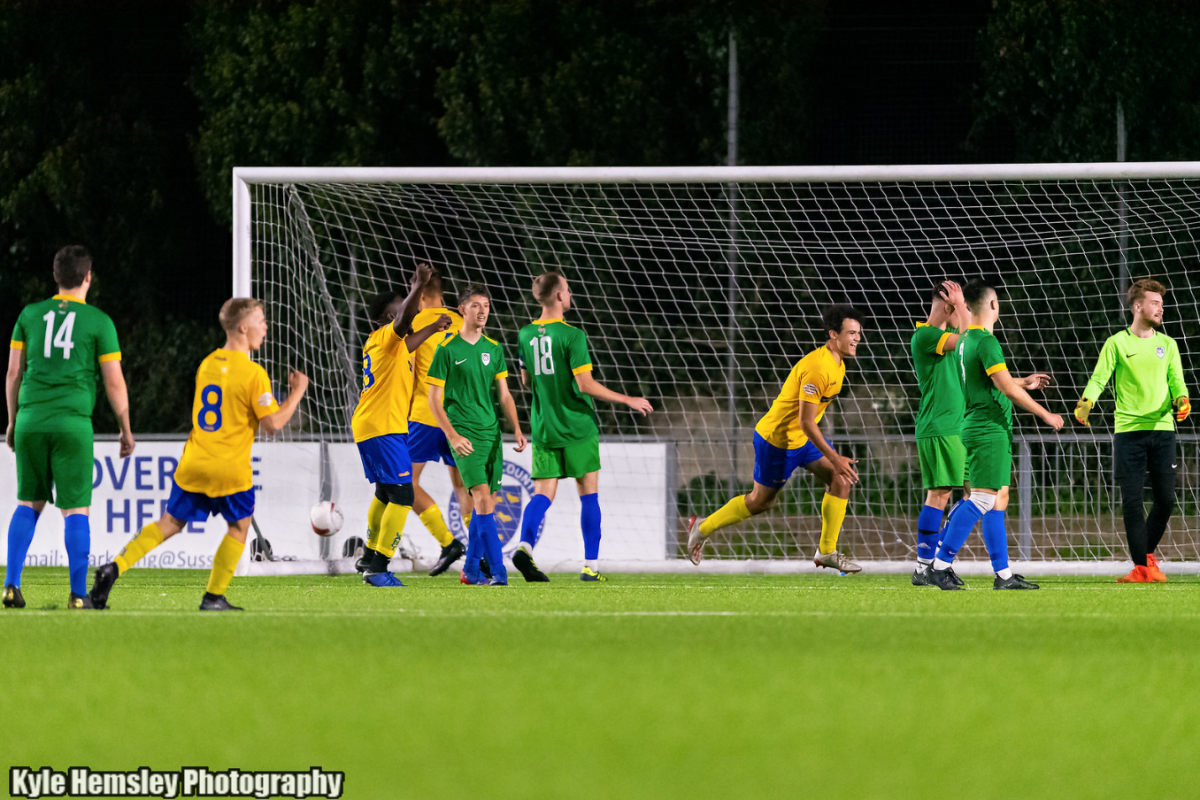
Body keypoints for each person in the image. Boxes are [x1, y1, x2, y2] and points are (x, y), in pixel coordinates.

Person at [89, 298, 306, 611]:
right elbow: (272, 424)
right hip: (229, 467)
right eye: (261, 321)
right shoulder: (253, 373)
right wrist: (297, 391)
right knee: (238, 528)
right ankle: (213, 597)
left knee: (169, 523)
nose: (266, 327)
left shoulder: (207, 364)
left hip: (194, 462)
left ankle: (114, 567)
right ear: (243, 327)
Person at [686, 304, 865, 574]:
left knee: (841, 478)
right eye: (851, 333)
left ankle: (826, 551)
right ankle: (701, 528)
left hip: (802, 440)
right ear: (833, 334)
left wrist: (835, 461)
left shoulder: (838, 364)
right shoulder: (817, 368)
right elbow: (806, 421)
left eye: (858, 333)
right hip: (777, 440)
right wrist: (834, 456)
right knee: (761, 502)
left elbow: (807, 423)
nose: (856, 338)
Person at [4, 245, 135, 610]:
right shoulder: (98, 322)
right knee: (76, 510)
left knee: (28, 502)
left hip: (31, 418)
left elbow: (14, 373)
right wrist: (125, 428)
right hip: (72, 424)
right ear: (88, 277)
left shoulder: (29, 315)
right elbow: (114, 383)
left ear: (55, 276)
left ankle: (11, 585)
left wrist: (13, 421)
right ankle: (78, 595)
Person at [514, 272, 653, 583]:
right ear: (560, 296)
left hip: (544, 426)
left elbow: (525, 381)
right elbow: (585, 384)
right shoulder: (572, 335)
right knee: (588, 495)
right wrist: (628, 399)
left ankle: (524, 546)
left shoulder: (524, 334)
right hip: (577, 425)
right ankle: (590, 567)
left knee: (542, 494)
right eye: (567, 288)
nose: (570, 292)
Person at [926, 280, 1061, 591]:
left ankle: (1003, 575)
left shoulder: (964, 341)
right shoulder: (986, 342)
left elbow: (994, 379)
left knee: (998, 498)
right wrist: (1044, 413)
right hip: (987, 428)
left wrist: (1023, 382)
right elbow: (1004, 387)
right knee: (983, 499)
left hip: (981, 424)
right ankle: (940, 564)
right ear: (991, 306)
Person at [1076, 278, 1189, 583]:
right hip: (1128, 433)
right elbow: (1100, 378)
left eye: (1162, 304)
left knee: (1165, 499)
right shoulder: (1117, 343)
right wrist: (1086, 402)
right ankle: (1142, 567)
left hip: (1163, 429)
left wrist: (1182, 399)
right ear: (1138, 307)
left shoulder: (1169, 345)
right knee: (1131, 501)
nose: (1161, 308)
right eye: (1155, 303)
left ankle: (1144, 556)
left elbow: (1177, 381)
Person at [351, 265, 451, 587]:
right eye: (400, 305)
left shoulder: (391, 345)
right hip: (382, 427)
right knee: (404, 495)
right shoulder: (386, 336)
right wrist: (419, 285)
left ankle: (369, 555)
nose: (408, 309)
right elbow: (405, 321)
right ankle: (379, 567)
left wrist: (434, 327)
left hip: (376, 425)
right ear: (386, 317)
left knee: (385, 492)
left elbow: (410, 338)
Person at [426, 284, 527, 586]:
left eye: (486, 305)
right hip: (464, 435)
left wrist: (517, 428)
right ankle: (498, 572)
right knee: (482, 500)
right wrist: (452, 435)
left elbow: (505, 396)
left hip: (491, 434)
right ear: (462, 310)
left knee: (488, 506)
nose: (483, 311)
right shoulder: (447, 350)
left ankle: (470, 570)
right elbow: (434, 399)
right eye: (476, 305)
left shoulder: (494, 349)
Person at [404, 269, 472, 576]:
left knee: (405, 482)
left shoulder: (416, 323)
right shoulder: (462, 321)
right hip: (461, 415)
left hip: (425, 413)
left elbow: (407, 369)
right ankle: (480, 553)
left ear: (419, 295)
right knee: (463, 486)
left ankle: (448, 543)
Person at [909, 280, 969, 586]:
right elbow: (970, 340)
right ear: (948, 306)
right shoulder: (926, 335)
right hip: (940, 427)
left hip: (955, 428)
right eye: (961, 307)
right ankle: (930, 566)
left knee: (973, 495)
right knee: (944, 494)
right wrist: (962, 307)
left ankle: (932, 564)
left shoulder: (945, 337)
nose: (965, 313)